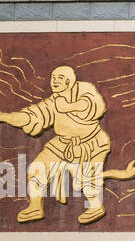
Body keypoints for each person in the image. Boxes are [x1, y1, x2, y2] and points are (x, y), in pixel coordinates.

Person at [0, 66, 110, 225]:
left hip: (91, 143)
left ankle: (95, 207)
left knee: (87, 178)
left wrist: (67, 106)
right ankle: (35, 207)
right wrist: (4, 117)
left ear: (69, 81)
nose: (55, 81)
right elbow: (31, 116)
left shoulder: (84, 89)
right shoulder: (54, 101)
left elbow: (94, 105)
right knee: (37, 168)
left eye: (60, 78)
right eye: (53, 77)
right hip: (63, 143)